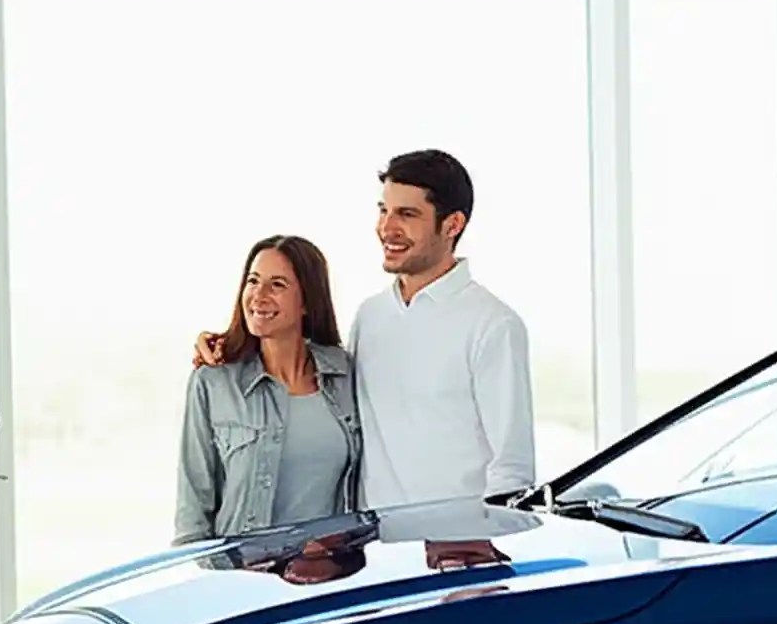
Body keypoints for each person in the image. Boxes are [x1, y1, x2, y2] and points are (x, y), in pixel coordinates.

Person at [195, 150, 536, 533]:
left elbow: (512, 470)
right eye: (383, 211)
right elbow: (308, 373)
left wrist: (484, 566)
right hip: (375, 559)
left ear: (452, 224)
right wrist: (228, 345)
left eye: (406, 215)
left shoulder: (493, 324)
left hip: (457, 561)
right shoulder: (370, 316)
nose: (386, 228)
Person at [173, 234, 362, 546]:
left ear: (306, 301)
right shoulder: (214, 382)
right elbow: (192, 512)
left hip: (331, 578)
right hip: (245, 582)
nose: (258, 296)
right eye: (253, 281)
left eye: (277, 285)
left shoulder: (348, 375)